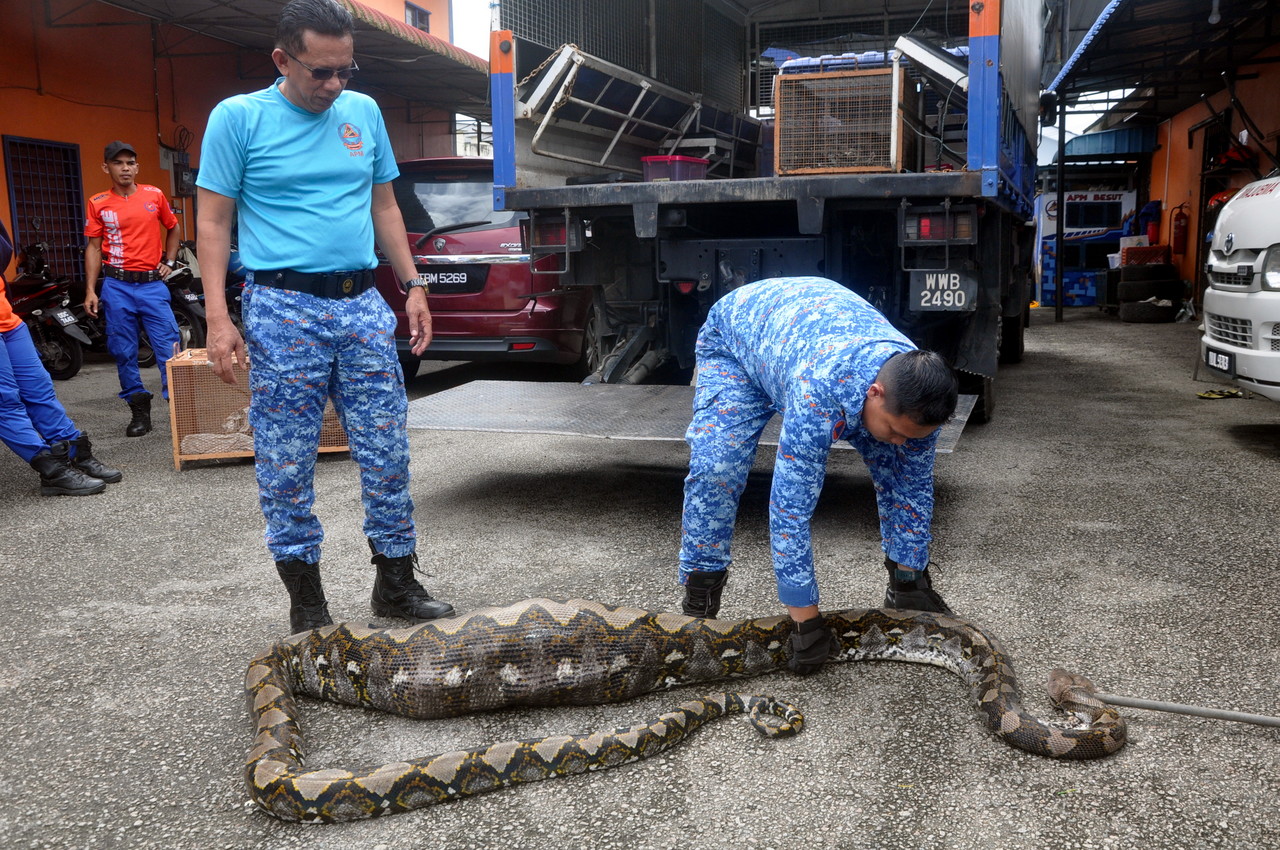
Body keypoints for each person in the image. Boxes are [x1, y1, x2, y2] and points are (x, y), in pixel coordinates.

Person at [194, 0, 453, 635]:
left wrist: (412, 285)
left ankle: (396, 582)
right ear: (283, 59)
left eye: (346, 70)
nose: (335, 85)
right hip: (282, 307)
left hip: (363, 305)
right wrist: (219, 317)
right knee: (287, 460)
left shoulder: (361, 114)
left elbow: (385, 207)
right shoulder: (238, 119)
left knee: (387, 449)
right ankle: (307, 602)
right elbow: (213, 222)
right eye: (321, 72)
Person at [678, 276, 959, 675]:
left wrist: (910, 573)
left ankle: (907, 585)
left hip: (804, 337)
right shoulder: (819, 390)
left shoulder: (919, 390)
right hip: (739, 340)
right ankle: (699, 599)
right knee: (716, 469)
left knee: (903, 470)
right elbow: (790, 508)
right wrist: (805, 619)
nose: (901, 442)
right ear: (875, 393)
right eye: (895, 431)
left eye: (911, 436)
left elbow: (910, 489)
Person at [0, 220, 121, 495]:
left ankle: (74, 449)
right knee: (5, 400)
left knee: (39, 388)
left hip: (8, 319)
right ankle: (50, 468)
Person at [83, 141, 182, 438]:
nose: (125, 168)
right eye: (118, 163)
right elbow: (93, 247)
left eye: (130, 163)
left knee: (170, 348)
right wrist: (91, 289)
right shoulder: (98, 202)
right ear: (107, 167)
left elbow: (173, 226)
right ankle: (139, 409)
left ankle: (179, 409)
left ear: (137, 167)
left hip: (152, 285)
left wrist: (170, 260)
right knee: (124, 351)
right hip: (117, 286)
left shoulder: (155, 195)